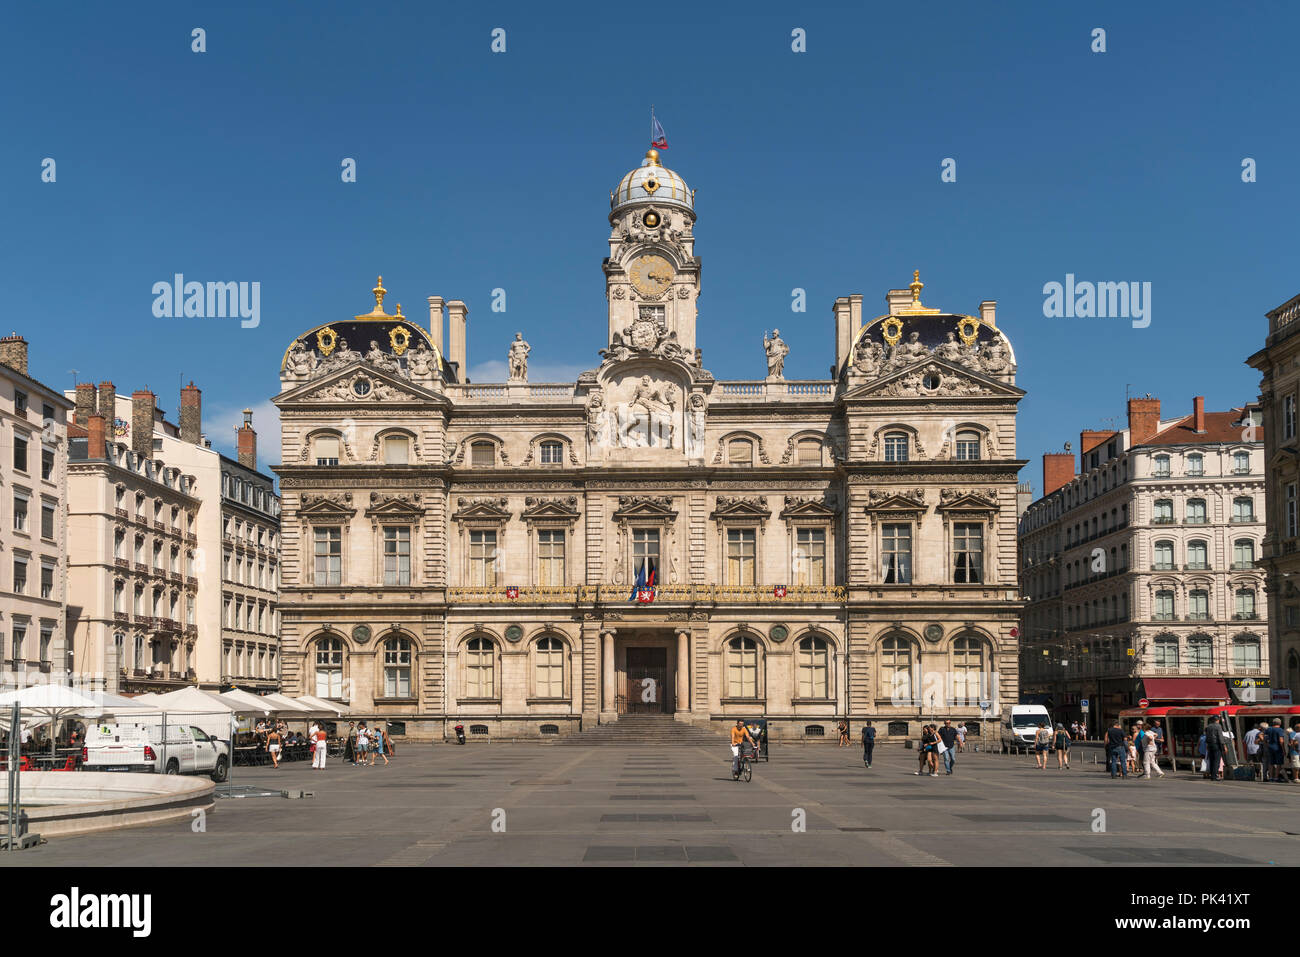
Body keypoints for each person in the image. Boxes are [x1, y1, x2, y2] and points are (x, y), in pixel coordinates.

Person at [1204, 716, 1232, 781]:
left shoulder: (1208, 727)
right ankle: (1215, 776)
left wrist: (1207, 745)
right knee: (1216, 761)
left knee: (1211, 760)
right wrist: (1224, 746)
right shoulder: (1218, 726)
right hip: (1216, 745)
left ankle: (1212, 775)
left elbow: (1207, 737)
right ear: (1218, 720)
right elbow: (1220, 737)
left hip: (1210, 745)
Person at [1264, 718, 1287, 783]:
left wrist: (1268, 745)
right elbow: (1281, 741)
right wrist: (1284, 749)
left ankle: (1271, 777)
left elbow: (1265, 739)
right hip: (1278, 748)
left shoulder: (1268, 729)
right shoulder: (1280, 730)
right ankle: (1276, 778)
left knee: (1271, 763)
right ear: (1280, 723)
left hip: (1270, 748)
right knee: (1278, 763)